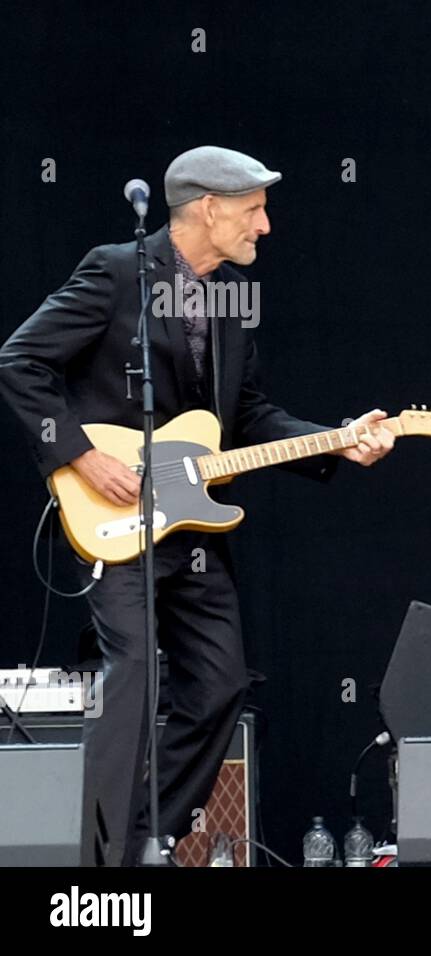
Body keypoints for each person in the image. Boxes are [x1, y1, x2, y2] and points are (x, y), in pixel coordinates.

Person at [0, 146, 395, 866]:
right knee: (135, 678)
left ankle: (147, 829)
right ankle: (103, 869)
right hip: (113, 516)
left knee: (220, 683)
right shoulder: (118, 271)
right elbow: (19, 361)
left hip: (193, 527)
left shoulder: (229, 302)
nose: (266, 227)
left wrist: (337, 442)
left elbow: (248, 414)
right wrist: (80, 453)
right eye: (254, 211)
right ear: (207, 208)